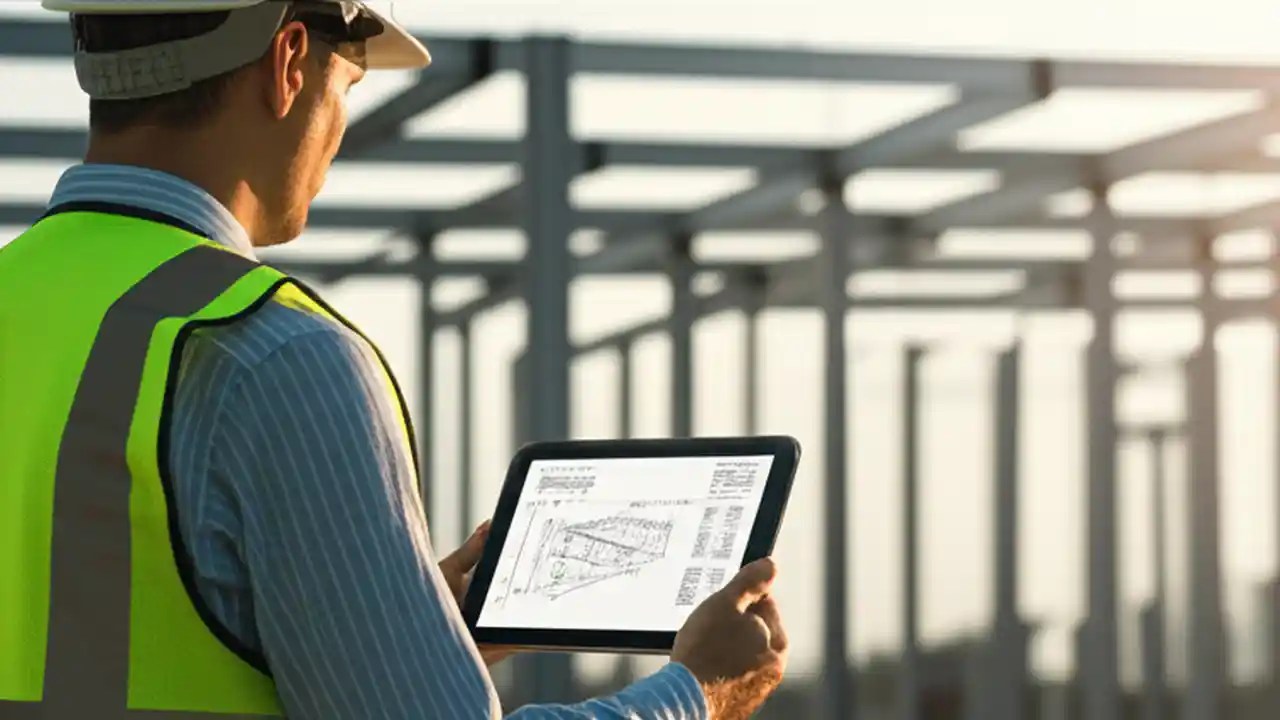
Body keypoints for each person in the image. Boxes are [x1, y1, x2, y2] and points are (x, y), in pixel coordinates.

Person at [0, 2, 789, 718]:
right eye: (348, 84)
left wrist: (390, 639)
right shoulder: (271, 353)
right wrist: (697, 693)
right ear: (288, 61)